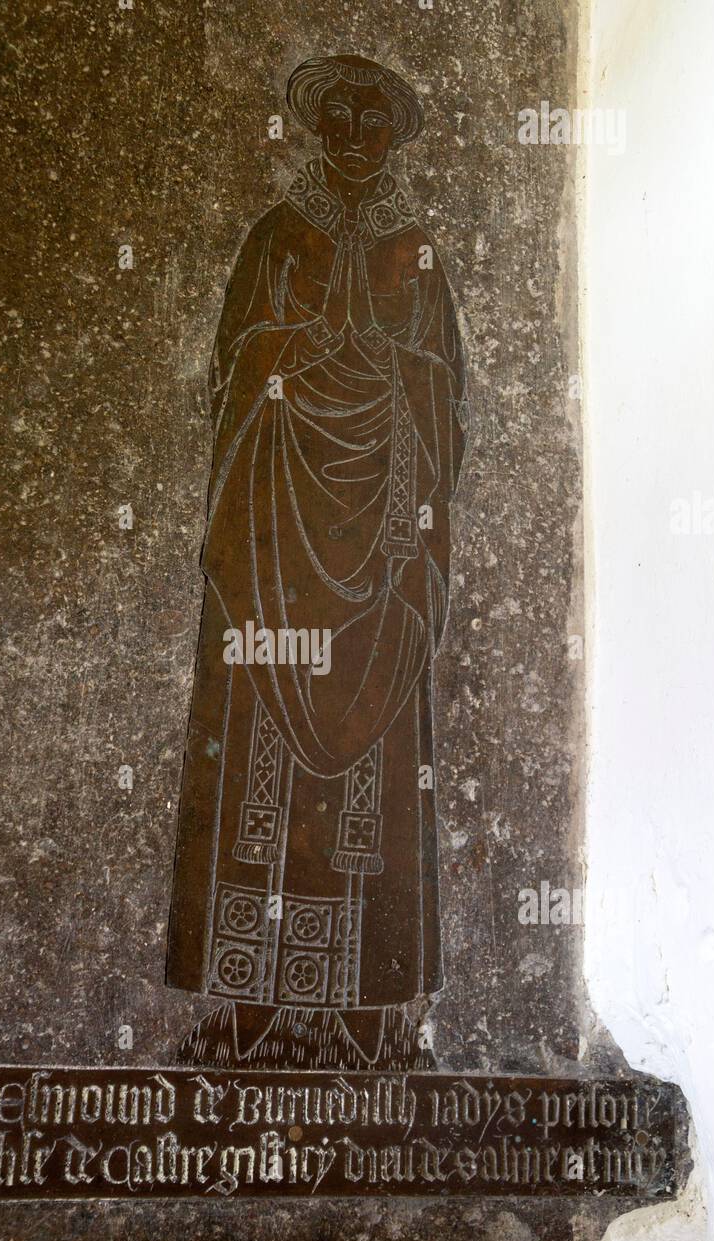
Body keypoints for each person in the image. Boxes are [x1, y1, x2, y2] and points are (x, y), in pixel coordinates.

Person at [167, 54, 469, 1069]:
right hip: (276, 531)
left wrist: (383, 365)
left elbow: (445, 394)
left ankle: (366, 1005)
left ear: (392, 135)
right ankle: (246, 1002)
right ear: (314, 128)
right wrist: (292, 356)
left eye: (372, 119)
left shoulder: (415, 252)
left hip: (379, 541)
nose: (353, 134)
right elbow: (231, 366)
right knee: (255, 737)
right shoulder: (274, 238)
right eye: (336, 116)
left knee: (377, 747)